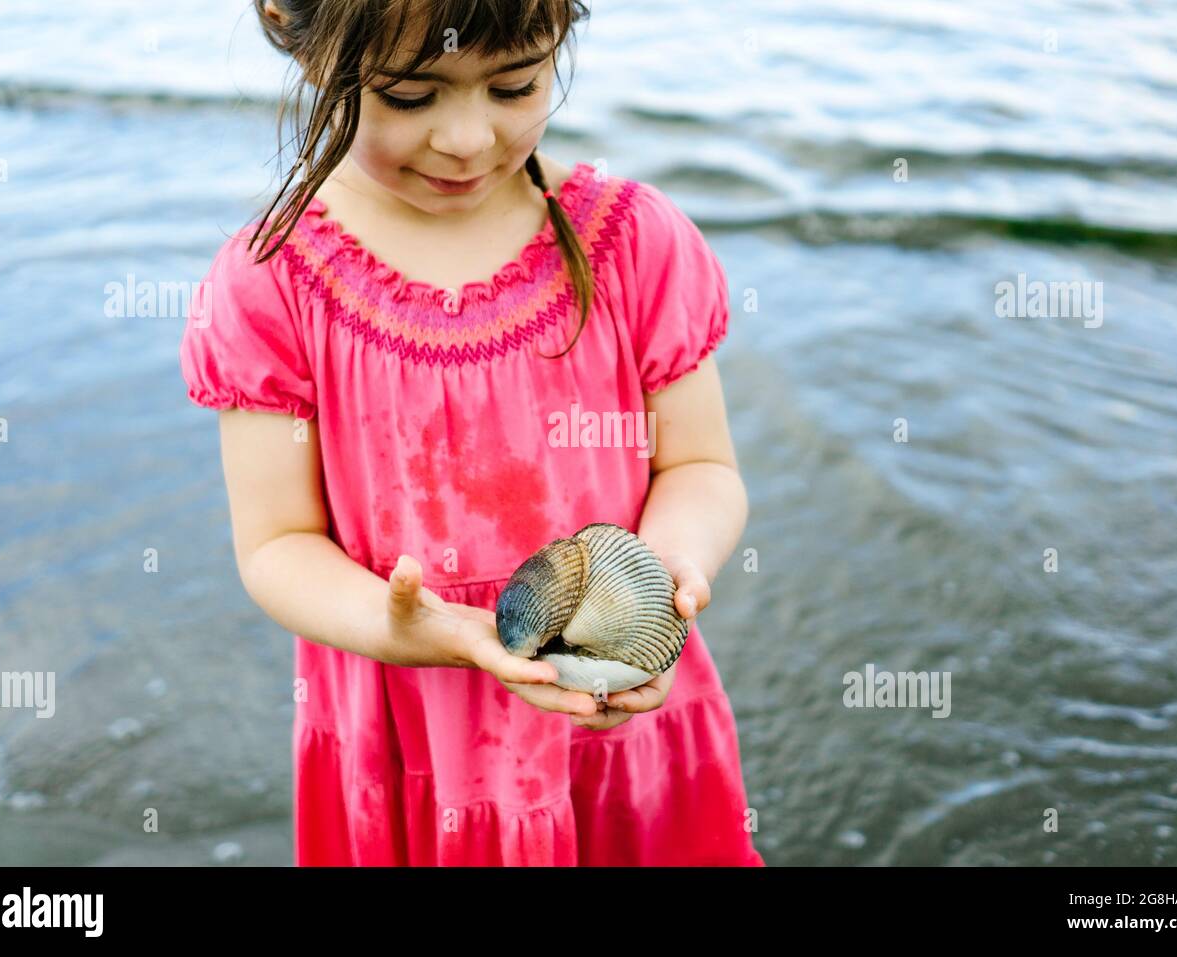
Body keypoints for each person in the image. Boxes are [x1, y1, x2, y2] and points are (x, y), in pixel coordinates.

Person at [179, 0, 765, 866]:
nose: (466, 137)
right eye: (411, 96)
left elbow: (701, 465)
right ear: (298, 34)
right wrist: (401, 625)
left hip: (619, 720)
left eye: (515, 83)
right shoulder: (272, 284)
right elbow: (277, 545)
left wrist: (672, 567)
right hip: (415, 735)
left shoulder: (634, 244)